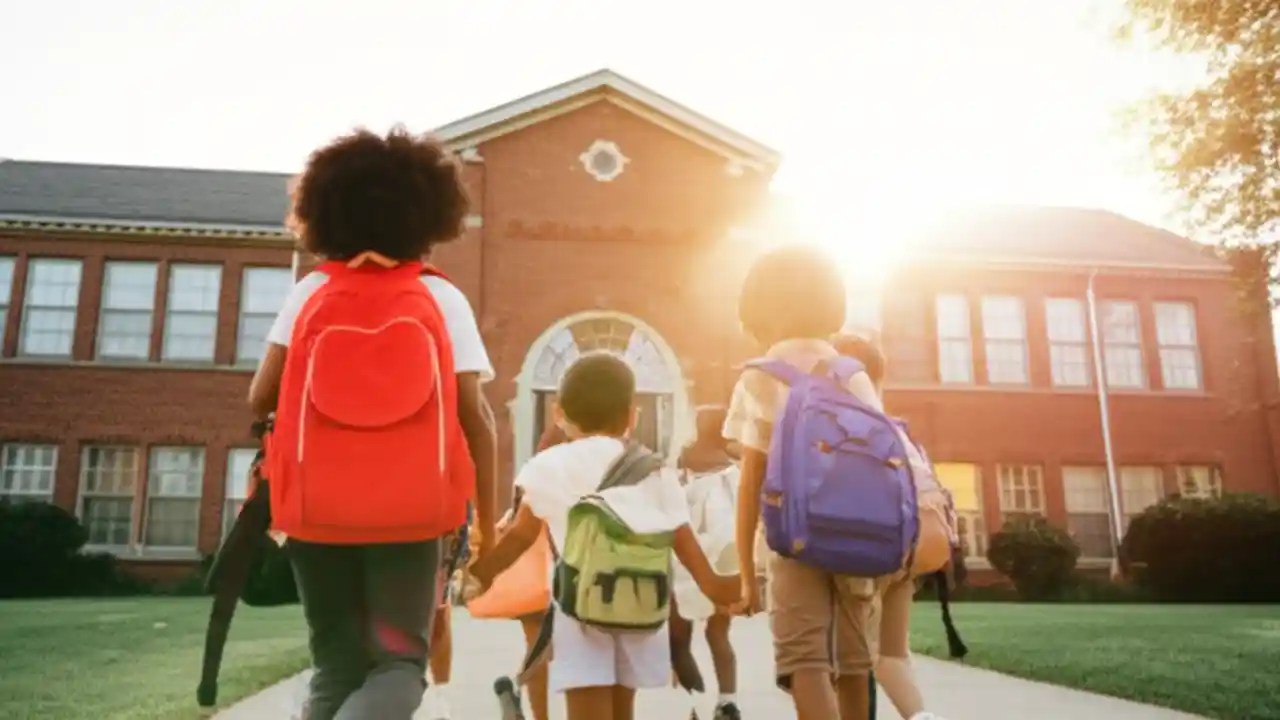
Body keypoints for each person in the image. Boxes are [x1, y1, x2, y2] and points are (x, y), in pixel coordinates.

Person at [248, 127, 498, 720]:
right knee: (399, 665)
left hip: (315, 512)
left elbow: (259, 399)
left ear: (323, 212)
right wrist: (485, 529)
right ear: (430, 214)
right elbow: (478, 423)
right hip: (409, 516)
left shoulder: (311, 291)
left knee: (334, 663)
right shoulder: (440, 298)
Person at [470, 353, 740, 720]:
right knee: (621, 709)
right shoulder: (655, 471)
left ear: (559, 412)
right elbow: (688, 550)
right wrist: (731, 588)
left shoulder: (548, 467)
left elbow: (519, 537)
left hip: (581, 610)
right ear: (632, 415)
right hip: (640, 607)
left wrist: (480, 574)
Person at [723, 245, 884, 720]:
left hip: (792, 540)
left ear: (757, 309)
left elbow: (751, 478)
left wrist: (749, 579)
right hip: (858, 537)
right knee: (854, 665)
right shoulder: (853, 375)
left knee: (806, 663)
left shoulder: (760, 377)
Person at [831, 334, 948, 720]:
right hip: (919, 542)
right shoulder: (897, 429)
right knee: (893, 656)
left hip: (881, 545)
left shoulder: (855, 427)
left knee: (858, 657)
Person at [669, 405, 741, 720]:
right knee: (718, 634)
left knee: (679, 639)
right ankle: (727, 702)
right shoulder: (732, 467)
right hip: (721, 562)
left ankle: (693, 705)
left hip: (686, 558)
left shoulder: (684, 460)